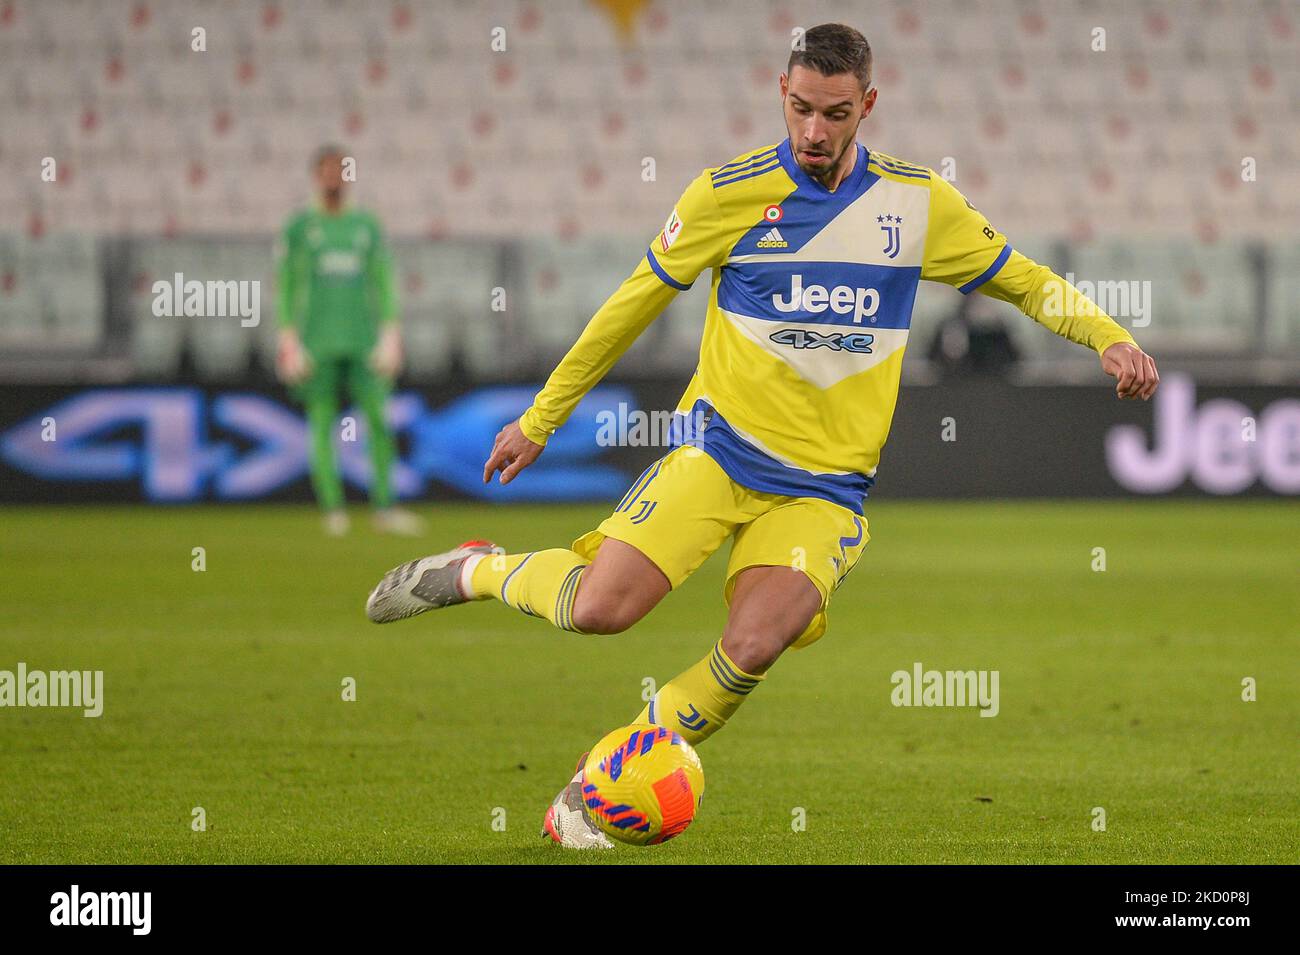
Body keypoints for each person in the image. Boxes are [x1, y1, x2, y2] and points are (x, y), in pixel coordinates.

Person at [364, 24, 1159, 847]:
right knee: (601, 609)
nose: (815, 131)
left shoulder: (917, 204)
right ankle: (478, 570)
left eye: (836, 113)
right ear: (782, 94)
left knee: (752, 643)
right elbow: (629, 306)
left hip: (825, 487)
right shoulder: (726, 194)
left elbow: (1024, 279)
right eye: (802, 109)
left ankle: (595, 787)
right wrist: (539, 421)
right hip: (719, 451)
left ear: (868, 107)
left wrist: (1107, 336)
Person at [276, 145, 423, 536]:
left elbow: (382, 280)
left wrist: (391, 332)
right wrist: (288, 336)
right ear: (316, 175)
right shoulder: (300, 227)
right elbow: (287, 284)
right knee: (321, 424)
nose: (333, 178)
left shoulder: (366, 226)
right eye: (326, 171)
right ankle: (333, 510)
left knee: (378, 421)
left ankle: (385, 507)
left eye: (340, 170)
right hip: (317, 341)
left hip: (363, 340)